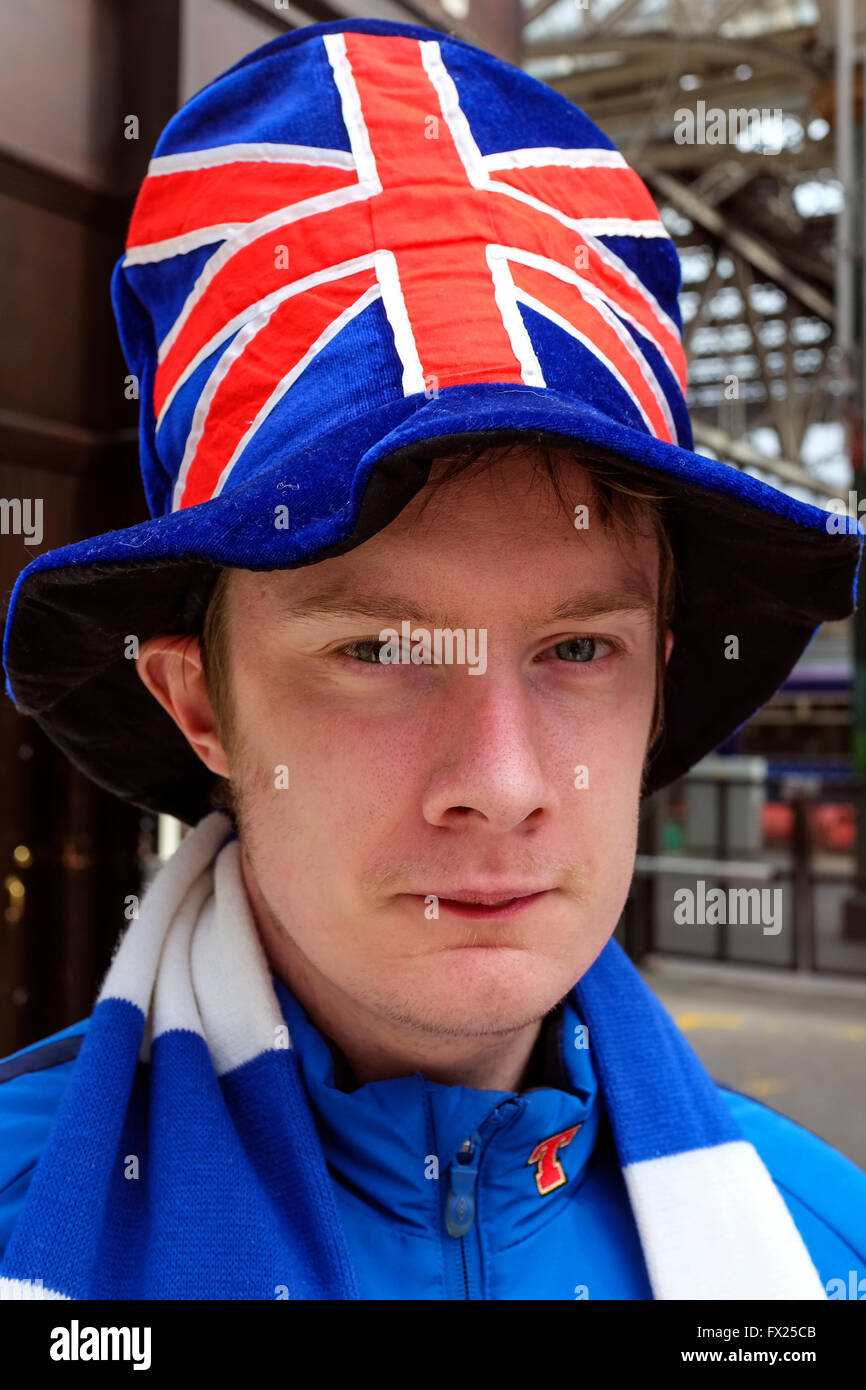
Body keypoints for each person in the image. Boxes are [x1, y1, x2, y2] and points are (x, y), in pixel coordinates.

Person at [0, 16, 863, 1302]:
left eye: (577, 647)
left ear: (656, 685)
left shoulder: (830, 1243)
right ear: (200, 707)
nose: (502, 781)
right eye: (381, 648)